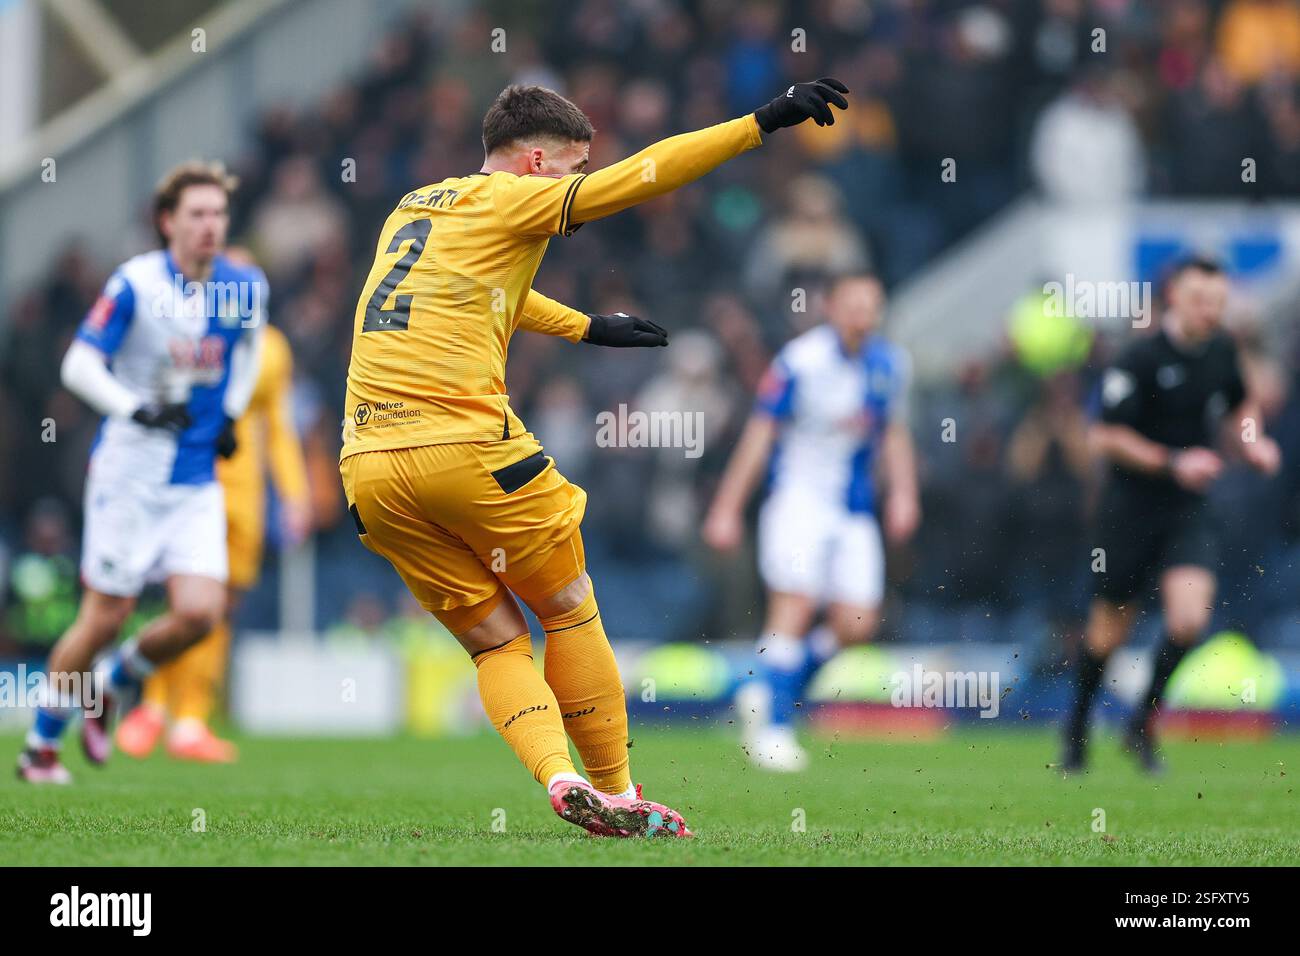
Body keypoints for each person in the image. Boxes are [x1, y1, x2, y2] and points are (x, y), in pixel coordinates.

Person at [339, 79, 850, 835]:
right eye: (573, 166)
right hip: (466, 448)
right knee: (569, 609)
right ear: (537, 161)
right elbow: (644, 176)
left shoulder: (414, 207)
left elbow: (479, 294)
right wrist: (760, 121)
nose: (577, 183)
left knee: (495, 642)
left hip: (370, 466)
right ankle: (617, 789)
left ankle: (558, 777)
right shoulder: (517, 198)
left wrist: (586, 327)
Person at [18, 161, 265, 784]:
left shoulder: (243, 286)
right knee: (103, 616)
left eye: (218, 214)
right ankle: (41, 746)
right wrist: (137, 409)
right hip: (128, 475)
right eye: (197, 215)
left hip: (195, 480)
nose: (210, 226)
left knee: (201, 613)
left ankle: (113, 682)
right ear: (167, 222)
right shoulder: (136, 283)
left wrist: (232, 412)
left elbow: (251, 350)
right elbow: (78, 364)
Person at [1061, 256, 1281, 773]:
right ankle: (1077, 728)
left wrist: (1254, 444)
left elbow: (1240, 406)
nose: (1212, 311)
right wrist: (1172, 461)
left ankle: (1142, 721)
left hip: (1188, 508)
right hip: (1130, 509)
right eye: (1202, 300)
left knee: (1189, 619)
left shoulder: (1223, 352)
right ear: (1173, 297)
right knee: (1109, 631)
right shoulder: (1136, 358)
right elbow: (1103, 435)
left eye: (1219, 302)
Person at [702, 273, 919, 770]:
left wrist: (904, 493)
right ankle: (774, 729)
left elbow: (894, 434)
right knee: (794, 607)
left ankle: (764, 689)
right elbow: (760, 435)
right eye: (854, 304)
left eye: (872, 305)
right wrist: (727, 508)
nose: (863, 314)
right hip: (799, 501)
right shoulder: (800, 361)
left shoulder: (890, 364)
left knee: (859, 622)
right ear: (832, 308)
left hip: (855, 509)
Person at [116, 311, 308, 763]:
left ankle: (190, 719)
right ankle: (154, 706)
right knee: (187, 600)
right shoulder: (194, 339)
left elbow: (279, 425)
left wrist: (294, 494)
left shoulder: (273, 347)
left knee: (221, 609)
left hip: (247, 498)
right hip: (195, 484)